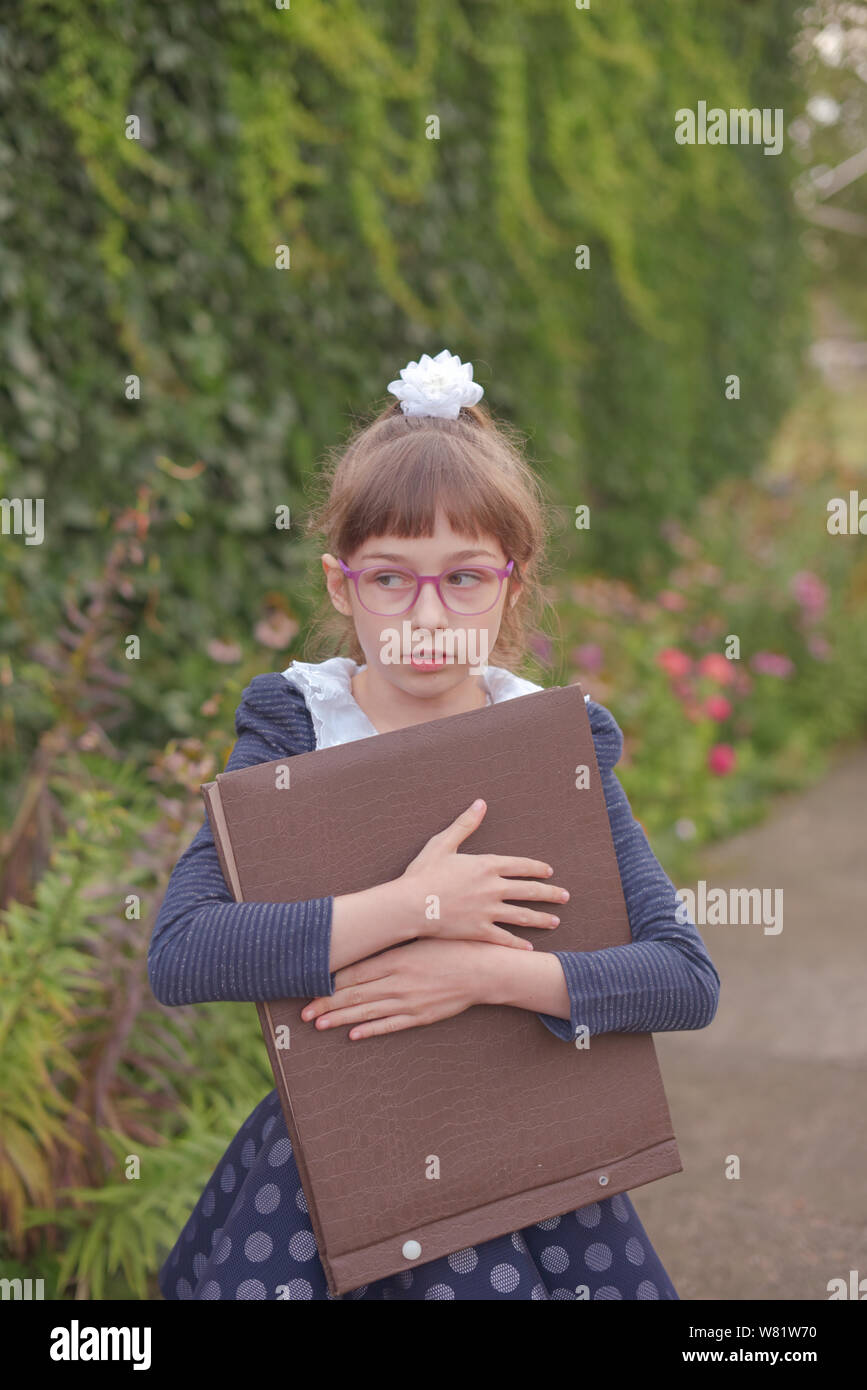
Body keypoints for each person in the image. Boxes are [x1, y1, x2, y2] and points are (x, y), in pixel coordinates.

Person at [149, 349, 721, 1300]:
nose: (427, 615)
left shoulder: (552, 743)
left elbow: (685, 979)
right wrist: (416, 905)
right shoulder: (299, 728)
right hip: (339, 1166)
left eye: (463, 579)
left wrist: (483, 974)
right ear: (342, 586)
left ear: (512, 580)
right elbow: (183, 951)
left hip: (520, 1162)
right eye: (390, 579)